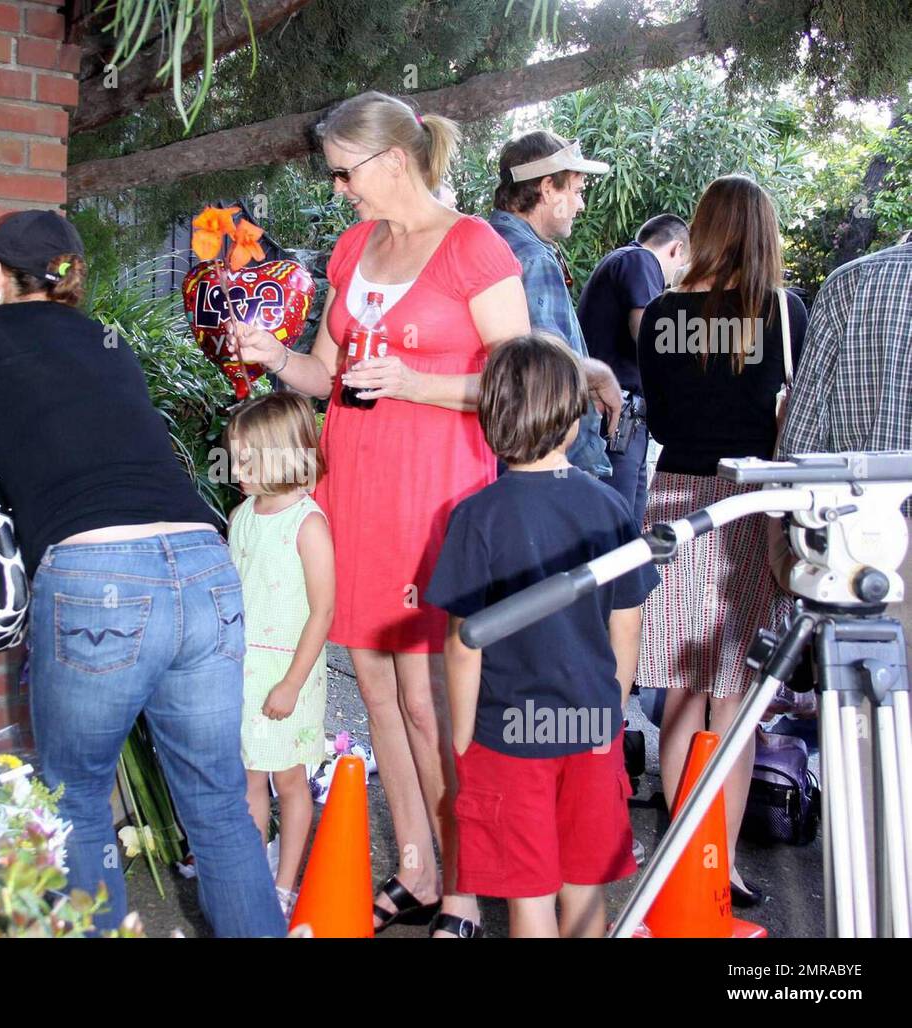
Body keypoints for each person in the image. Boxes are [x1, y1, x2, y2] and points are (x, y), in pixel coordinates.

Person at [0, 209, 287, 937]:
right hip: (202, 562)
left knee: (73, 801)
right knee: (218, 802)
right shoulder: (108, 343)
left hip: (100, 575)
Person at [227, 91, 529, 938]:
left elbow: (519, 387)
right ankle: (417, 868)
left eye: (343, 174)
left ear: (392, 161)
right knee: (374, 692)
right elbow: (328, 376)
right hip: (349, 487)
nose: (338, 192)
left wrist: (417, 385)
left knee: (433, 699)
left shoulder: (477, 248)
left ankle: (468, 887)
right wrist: (276, 356)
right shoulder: (354, 250)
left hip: (436, 498)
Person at [426, 333, 657, 937]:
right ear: (573, 418)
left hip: (508, 735)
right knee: (584, 885)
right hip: (590, 728)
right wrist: (616, 707)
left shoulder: (475, 517)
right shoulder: (610, 508)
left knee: (528, 893)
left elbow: (463, 642)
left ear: (492, 417)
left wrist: (462, 733)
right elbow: (627, 621)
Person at [636, 175, 808, 908]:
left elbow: (665, 423)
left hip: (676, 498)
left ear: (702, 229)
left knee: (680, 685)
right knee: (735, 694)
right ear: (763, 232)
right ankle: (721, 864)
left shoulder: (663, 314)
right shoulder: (784, 312)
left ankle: (678, 859)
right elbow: (790, 419)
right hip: (752, 503)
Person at [225, 393, 335, 918]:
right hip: (244, 672)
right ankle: (252, 872)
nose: (235, 469)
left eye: (247, 460)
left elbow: (322, 611)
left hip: (288, 672)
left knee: (289, 779)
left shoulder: (307, 525)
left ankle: (286, 883)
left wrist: (291, 682)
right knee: (249, 773)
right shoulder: (242, 515)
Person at [777, 238, 912, 664]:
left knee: (860, 706)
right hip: (869, 536)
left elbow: (801, 438)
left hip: (865, 539)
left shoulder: (851, 283)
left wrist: (786, 539)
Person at [488, 129, 624, 477]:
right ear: (548, 188)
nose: (581, 205)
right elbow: (544, 368)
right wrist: (601, 375)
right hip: (553, 464)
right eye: (576, 191)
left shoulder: (493, 241)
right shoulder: (532, 256)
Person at [577, 214, 690, 528]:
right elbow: (647, 332)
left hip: (622, 417)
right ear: (676, 250)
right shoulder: (640, 260)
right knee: (616, 530)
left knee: (629, 530)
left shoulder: (621, 261)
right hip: (617, 415)